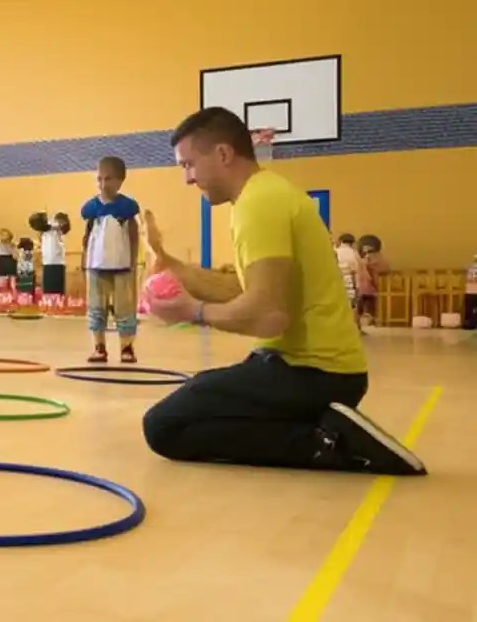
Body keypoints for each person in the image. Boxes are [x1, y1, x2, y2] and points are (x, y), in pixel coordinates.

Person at [141, 107, 425, 475]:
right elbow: (242, 290)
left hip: (315, 374)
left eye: (188, 165)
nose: (187, 179)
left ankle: (329, 443)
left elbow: (267, 315)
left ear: (224, 154)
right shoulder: (264, 194)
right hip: (314, 369)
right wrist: (173, 265)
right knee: (201, 390)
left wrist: (191, 313)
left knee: (163, 426)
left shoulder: (258, 204)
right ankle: (325, 428)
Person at [81, 156, 141, 363]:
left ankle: (126, 347)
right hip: (96, 266)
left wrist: (133, 260)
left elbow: (134, 234)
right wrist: (84, 262)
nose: (103, 184)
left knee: (124, 308)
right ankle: (99, 346)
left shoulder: (127, 207)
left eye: (108, 179)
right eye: (99, 179)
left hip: (121, 265)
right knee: (96, 307)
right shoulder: (91, 208)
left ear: (120, 180)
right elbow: (87, 235)